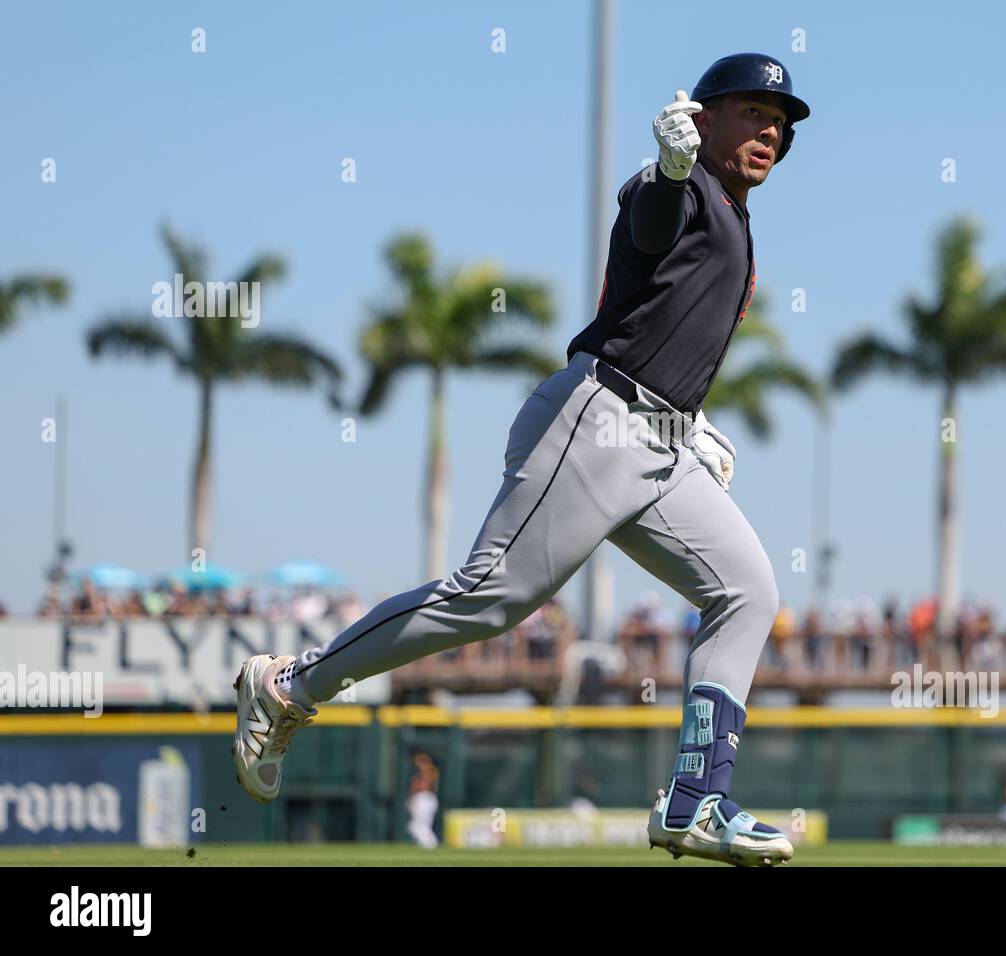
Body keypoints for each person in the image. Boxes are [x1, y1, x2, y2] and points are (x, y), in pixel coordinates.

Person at [231, 52, 810, 867]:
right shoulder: (676, 186)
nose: (772, 130)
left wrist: (693, 413)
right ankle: (290, 684)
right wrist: (669, 172)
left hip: (661, 442)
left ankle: (695, 802)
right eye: (753, 111)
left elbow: (649, 307)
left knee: (749, 589)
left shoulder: (735, 215)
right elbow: (646, 231)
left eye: (781, 122)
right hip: (598, 424)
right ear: (704, 117)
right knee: (488, 600)